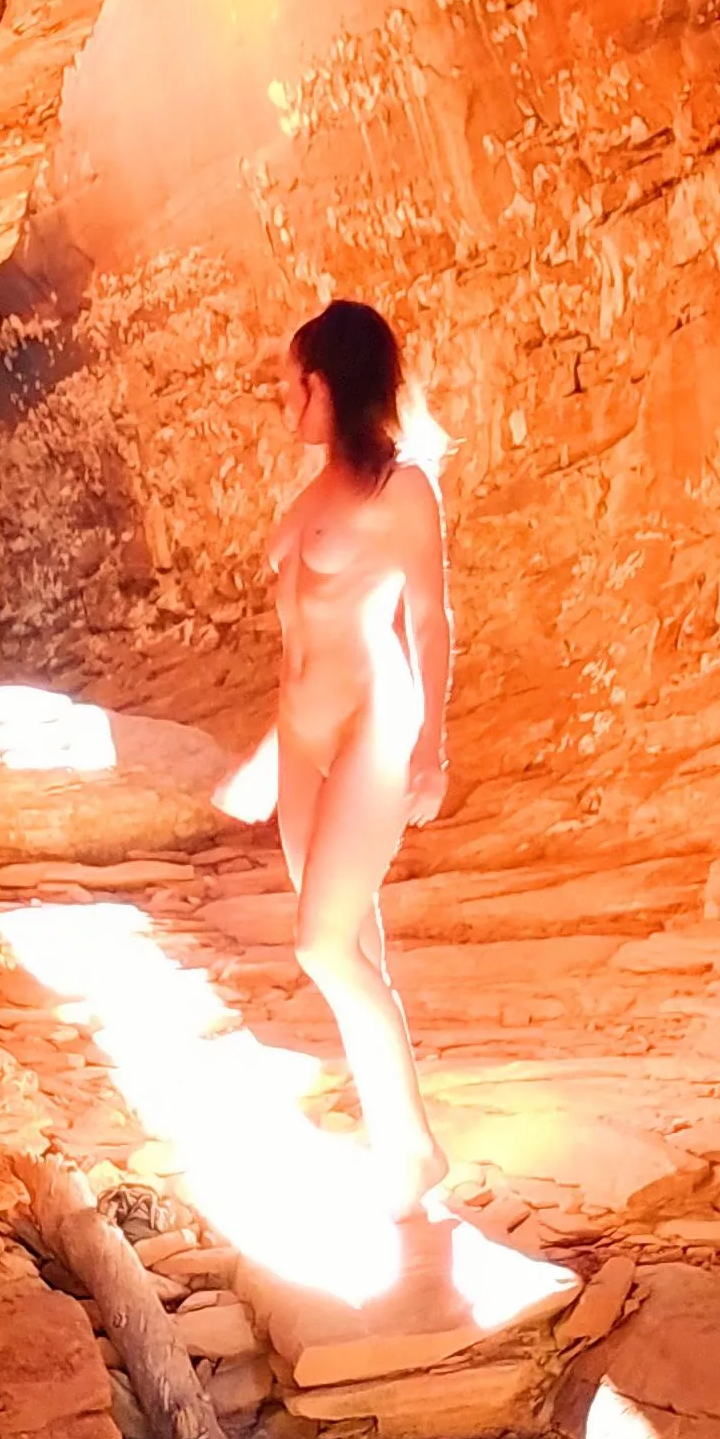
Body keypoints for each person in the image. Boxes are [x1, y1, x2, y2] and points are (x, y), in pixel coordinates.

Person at [217, 298, 452, 1219]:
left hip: (372, 728)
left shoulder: (404, 488)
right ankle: (396, 1137)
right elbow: (296, 645)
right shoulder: (311, 495)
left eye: (296, 383)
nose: (286, 400)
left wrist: (432, 743)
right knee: (351, 943)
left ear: (335, 383)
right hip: (304, 740)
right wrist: (263, 757)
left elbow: (430, 621)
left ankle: (415, 1149)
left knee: (320, 944)